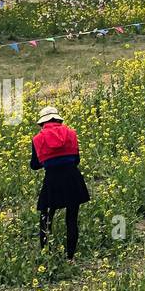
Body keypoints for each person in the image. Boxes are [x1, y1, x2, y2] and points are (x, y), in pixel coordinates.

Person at [31, 105, 90, 260]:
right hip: (72, 178)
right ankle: (70, 257)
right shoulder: (71, 133)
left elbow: (34, 165)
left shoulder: (37, 139)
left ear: (42, 123)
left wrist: (48, 159)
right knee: (71, 219)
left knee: (46, 218)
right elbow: (76, 160)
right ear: (58, 119)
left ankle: (45, 254)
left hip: (52, 180)